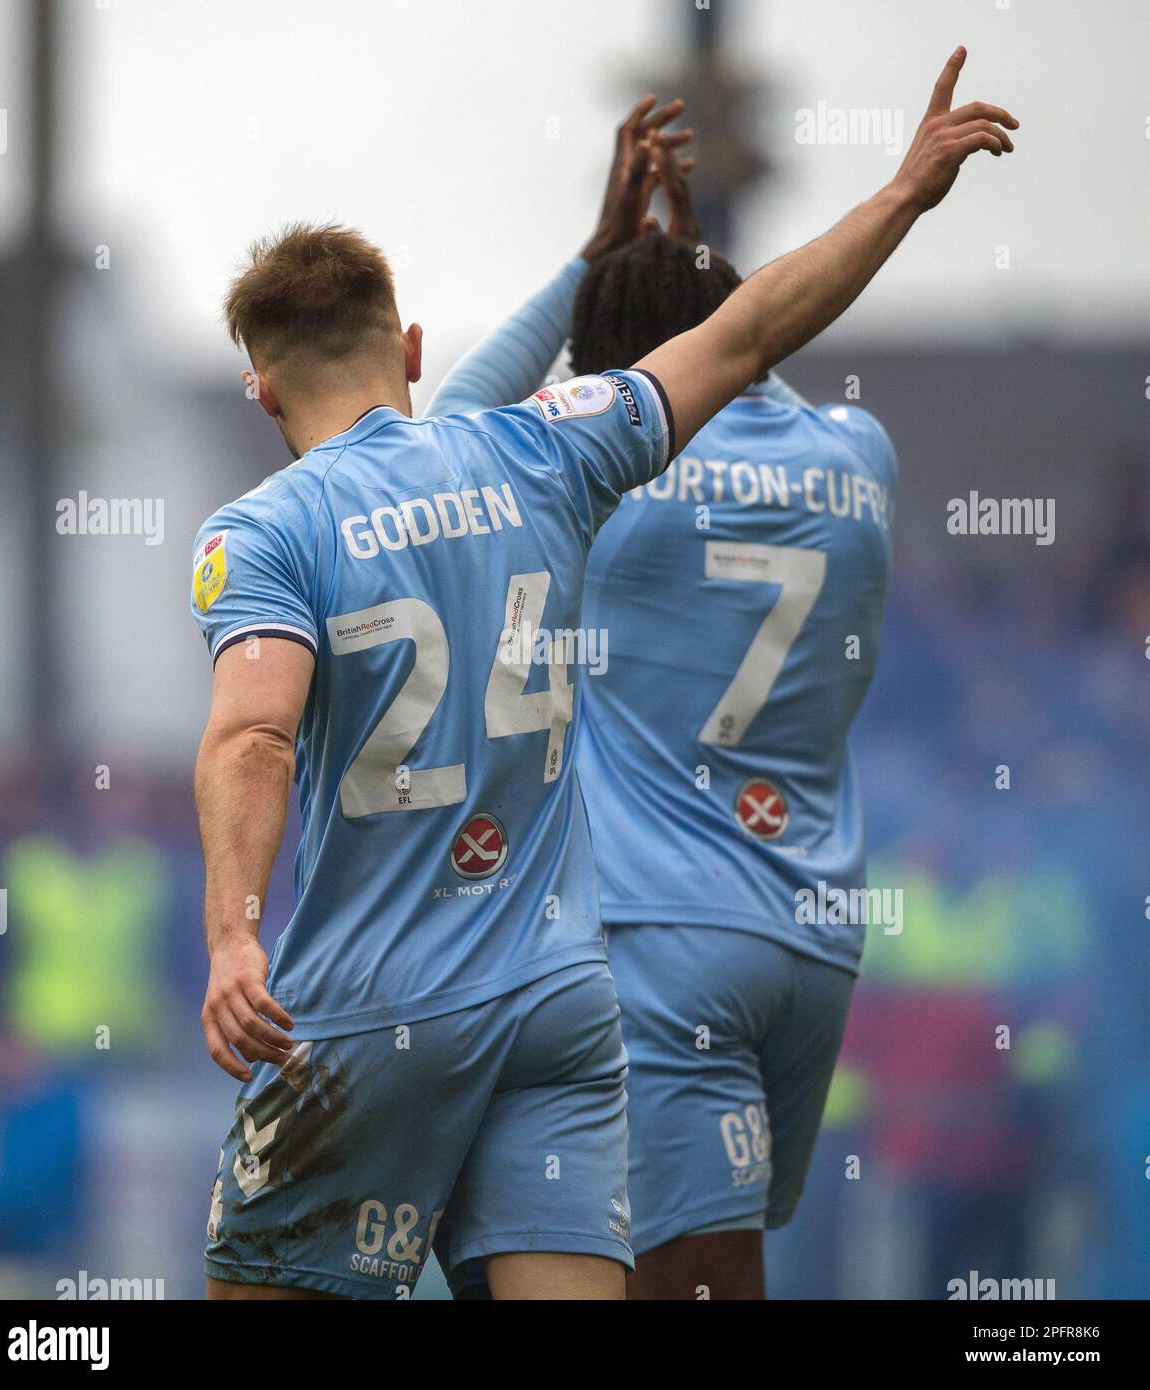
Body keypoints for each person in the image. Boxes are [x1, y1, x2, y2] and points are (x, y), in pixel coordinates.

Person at [190, 50, 1015, 1300]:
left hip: (380, 1003)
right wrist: (899, 192)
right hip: (570, 998)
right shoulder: (548, 459)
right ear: (405, 343)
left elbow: (252, 738)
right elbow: (741, 335)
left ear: (260, 392)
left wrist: (232, 938)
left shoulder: (261, 530)